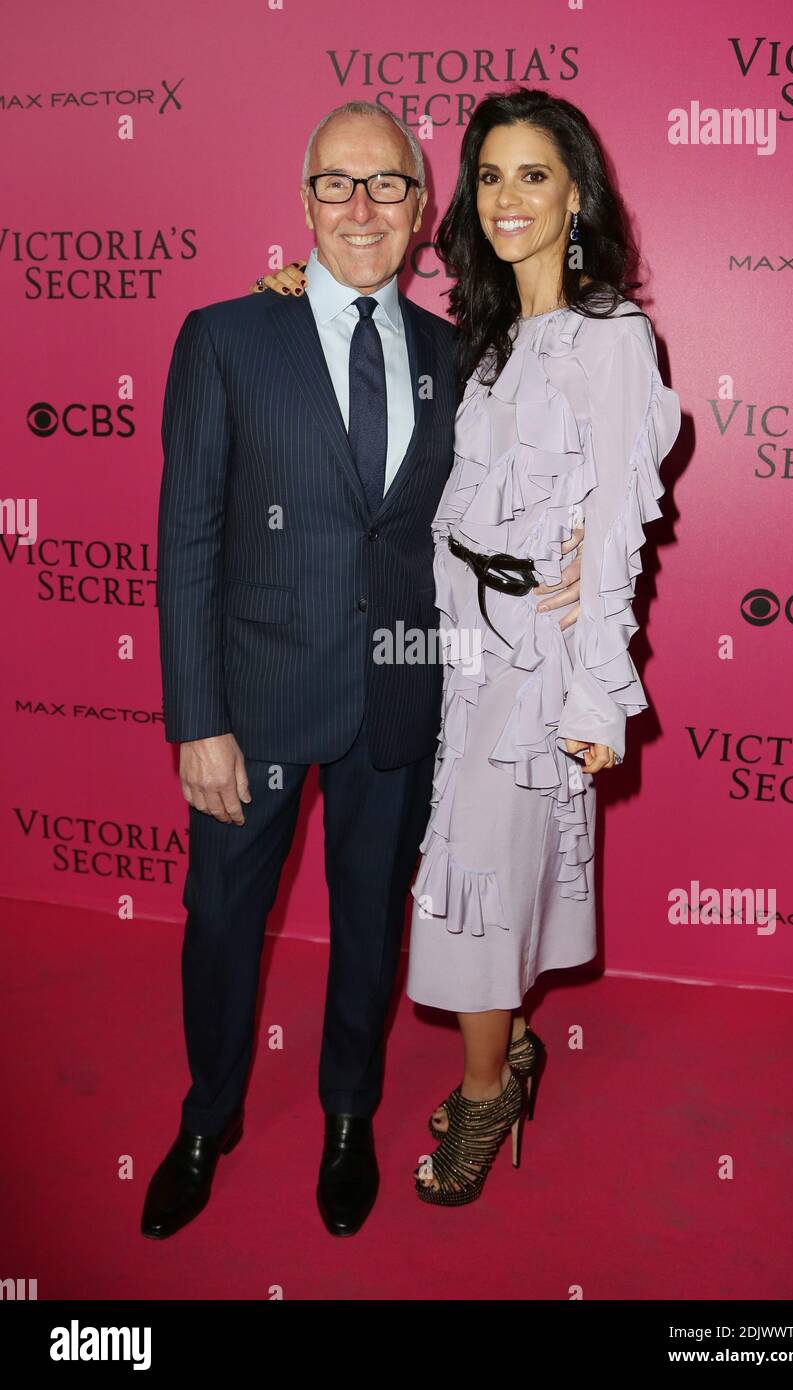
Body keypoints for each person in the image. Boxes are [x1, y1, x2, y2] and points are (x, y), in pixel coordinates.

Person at [142, 98, 582, 1241]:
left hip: (401, 697)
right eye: (336, 184)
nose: (360, 207)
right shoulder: (227, 338)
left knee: (372, 929)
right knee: (222, 923)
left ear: (422, 208)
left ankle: (349, 1115)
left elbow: (505, 512)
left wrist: (573, 576)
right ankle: (206, 1118)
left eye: (386, 184)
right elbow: (187, 534)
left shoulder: (457, 355)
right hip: (256, 706)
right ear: (302, 203)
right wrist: (198, 718)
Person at [262, 87, 681, 1206]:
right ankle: (504, 1061)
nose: (506, 198)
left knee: (472, 890)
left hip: (540, 666)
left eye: (533, 175)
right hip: (461, 650)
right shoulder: (487, 342)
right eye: (490, 175)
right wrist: (294, 298)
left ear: (577, 193)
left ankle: (487, 1089)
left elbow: (620, 530)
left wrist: (597, 693)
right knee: (462, 873)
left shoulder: (611, 336)